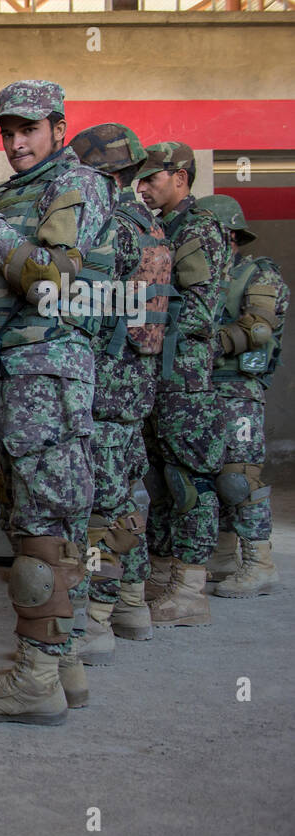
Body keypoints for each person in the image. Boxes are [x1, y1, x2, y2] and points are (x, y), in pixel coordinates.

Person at [0, 80, 116, 724]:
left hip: (47, 370)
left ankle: (33, 680)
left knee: (44, 525)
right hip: (6, 369)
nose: (16, 142)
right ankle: (63, 666)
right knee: (34, 517)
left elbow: (51, 278)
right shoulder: (1, 196)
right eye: (7, 131)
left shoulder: (78, 187)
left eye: (29, 130)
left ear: (59, 128)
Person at [66, 123, 174, 660]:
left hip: (108, 379)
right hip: (138, 381)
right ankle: (133, 601)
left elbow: (84, 304)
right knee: (131, 493)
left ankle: (99, 617)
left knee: (102, 505)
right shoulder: (148, 225)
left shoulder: (110, 227)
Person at [135, 143, 233, 626]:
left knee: (188, 479)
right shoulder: (160, 228)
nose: (143, 186)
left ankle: (191, 587)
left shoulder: (200, 229)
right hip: (154, 370)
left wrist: (146, 319)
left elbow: (199, 309)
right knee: (158, 479)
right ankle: (162, 575)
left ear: (180, 177)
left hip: (184, 374)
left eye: (152, 178)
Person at [195, 194, 286, 598]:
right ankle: (225, 554)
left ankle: (260, 562)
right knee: (211, 477)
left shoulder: (257, 276)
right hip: (203, 387)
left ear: (229, 236)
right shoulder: (201, 278)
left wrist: (206, 343)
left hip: (238, 389)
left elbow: (258, 326)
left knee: (238, 478)